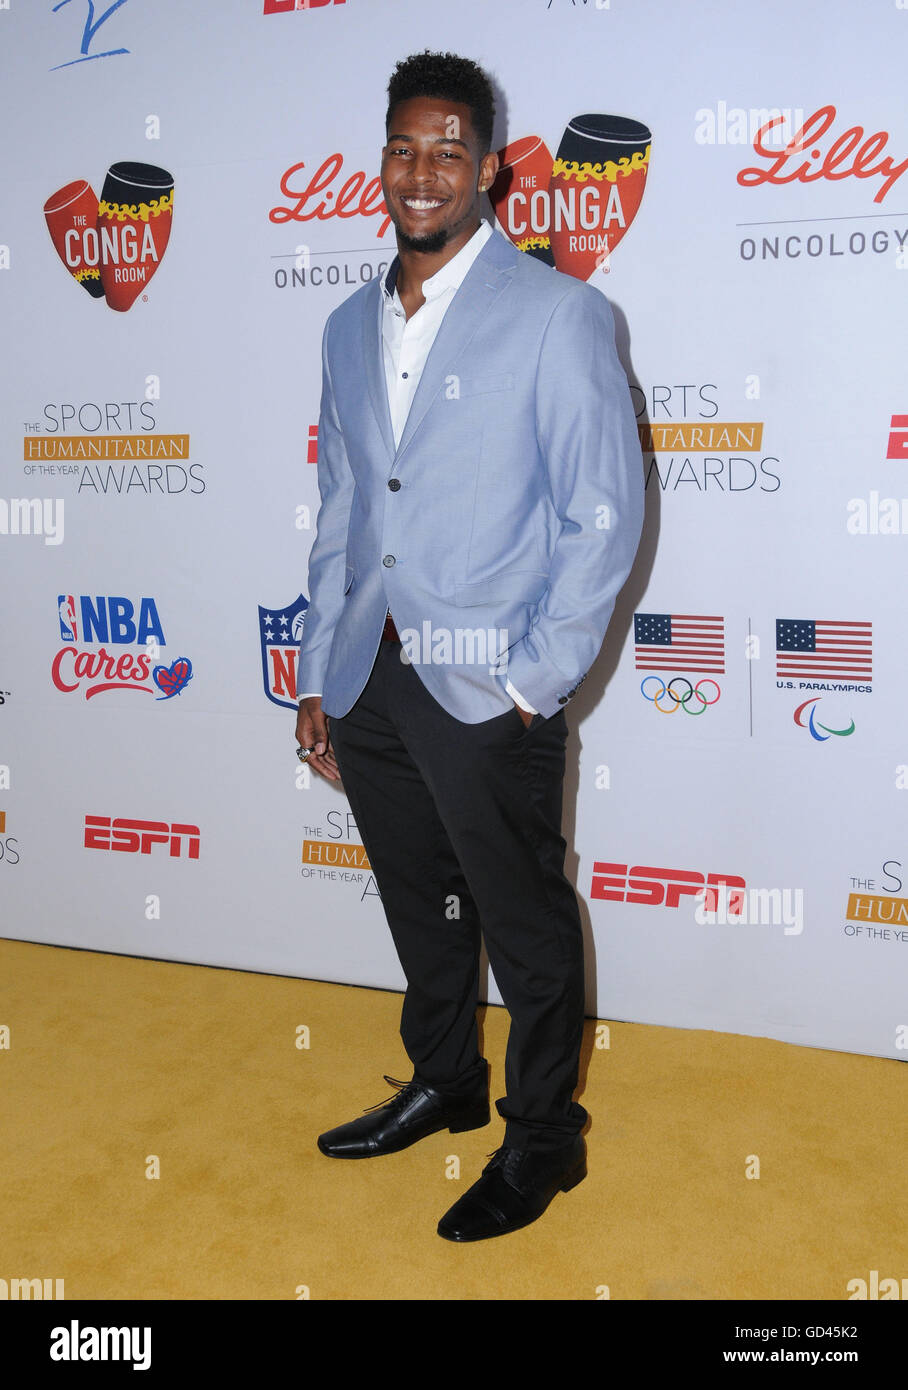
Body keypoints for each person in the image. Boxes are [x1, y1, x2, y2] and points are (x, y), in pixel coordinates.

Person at [294, 50, 643, 1241]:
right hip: (373, 670)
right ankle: (444, 1080)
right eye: (405, 147)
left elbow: (602, 514)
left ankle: (543, 1138)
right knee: (419, 900)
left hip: (488, 679)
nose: (423, 169)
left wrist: (535, 680)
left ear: (488, 167)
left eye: (450, 148)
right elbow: (344, 503)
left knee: (525, 924)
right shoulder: (347, 324)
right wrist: (316, 669)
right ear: (380, 160)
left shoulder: (557, 313)